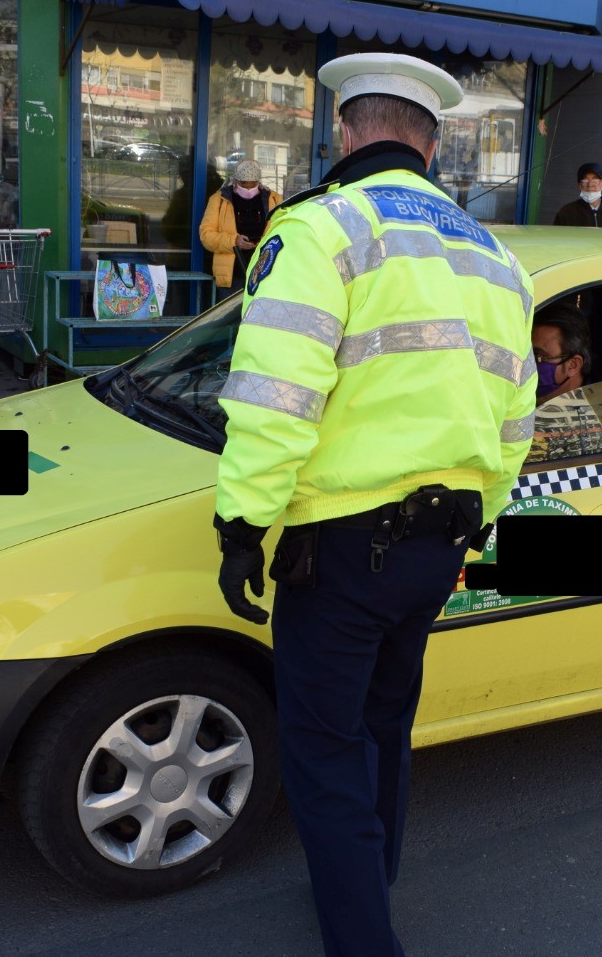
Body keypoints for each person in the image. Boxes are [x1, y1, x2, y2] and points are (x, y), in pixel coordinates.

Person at [212, 52, 537, 957]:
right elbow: (516, 423)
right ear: (431, 143)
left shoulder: (321, 228)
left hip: (342, 549)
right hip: (443, 541)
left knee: (321, 749)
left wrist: (241, 525)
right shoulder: (494, 256)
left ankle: (363, 937)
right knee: (385, 723)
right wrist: (482, 519)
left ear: (346, 132)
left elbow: (275, 397)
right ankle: (373, 878)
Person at [528, 304, 602, 463]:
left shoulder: (573, 425)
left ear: (572, 365)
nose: (529, 364)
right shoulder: (548, 407)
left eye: (538, 356)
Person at [199, 159, 283, 292]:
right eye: (244, 183)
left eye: (253, 183)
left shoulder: (274, 199)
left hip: (264, 274)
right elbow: (206, 236)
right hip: (232, 277)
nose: (249, 188)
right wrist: (234, 241)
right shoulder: (219, 200)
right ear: (235, 181)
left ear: (258, 181)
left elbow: (283, 232)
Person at [552, 162, 602, 229]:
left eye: (595, 180)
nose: (590, 185)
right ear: (579, 185)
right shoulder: (566, 213)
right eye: (585, 180)